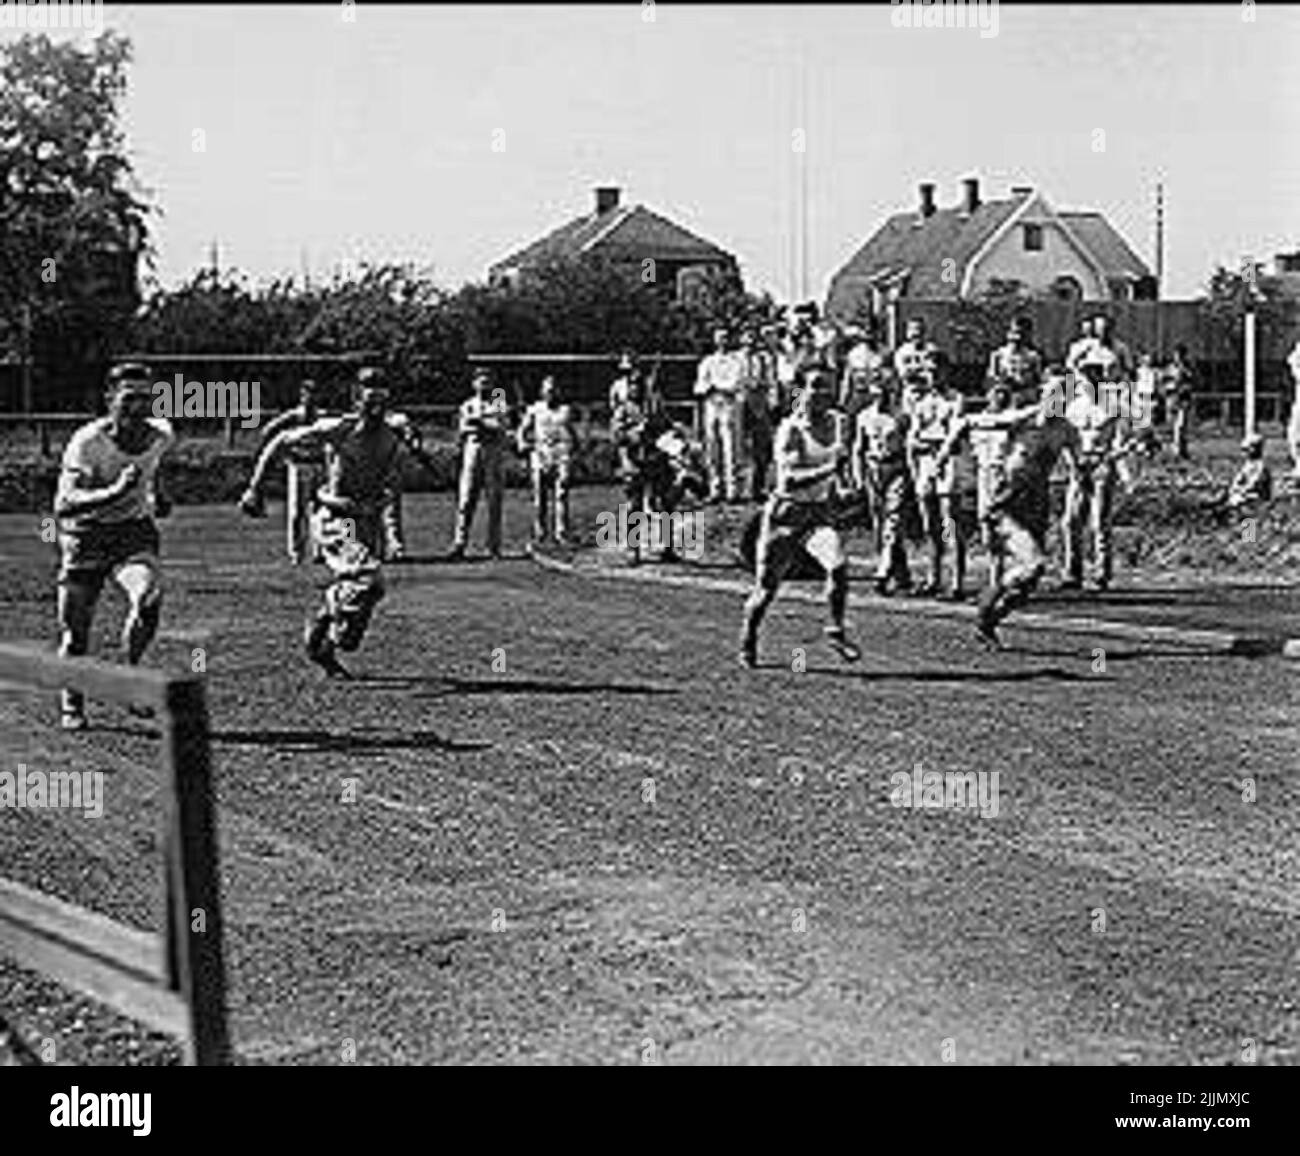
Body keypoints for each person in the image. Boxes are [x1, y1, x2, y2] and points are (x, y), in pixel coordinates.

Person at [239, 376, 410, 678]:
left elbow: (395, 466)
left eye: (382, 402)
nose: (376, 409)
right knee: (368, 579)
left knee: (363, 607)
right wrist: (255, 488)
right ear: (357, 404)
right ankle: (325, 614)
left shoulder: (393, 433)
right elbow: (281, 441)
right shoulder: (338, 429)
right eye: (370, 402)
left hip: (368, 521)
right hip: (336, 519)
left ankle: (326, 643)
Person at [53, 363, 176, 729]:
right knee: (76, 633)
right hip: (84, 535)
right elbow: (64, 504)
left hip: (132, 532)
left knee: (148, 595)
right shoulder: (87, 443)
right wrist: (116, 491)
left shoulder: (161, 434)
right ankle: (72, 704)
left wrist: (158, 494)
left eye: (146, 397)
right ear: (110, 399)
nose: (139, 405)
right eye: (130, 397)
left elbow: (154, 468)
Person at [942, 372, 1083, 647]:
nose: (1059, 400)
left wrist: (1093, 464)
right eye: (1054, 393)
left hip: (1036, 502)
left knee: (1032, 577)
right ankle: (987, 605)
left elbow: (1080, 464)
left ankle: (990, 619)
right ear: (1044, 395)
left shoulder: (1066, 430)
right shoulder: (1022, 419)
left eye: (1065, 395)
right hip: (1007, 500)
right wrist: (948, 448)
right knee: (1033, 564)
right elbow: (976, 421)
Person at [739, 368, 862, 668]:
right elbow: (791, 481)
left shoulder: (838, 422)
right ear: (800, 392)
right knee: (766, 590)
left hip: (818, 515)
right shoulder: (790, 429)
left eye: (827, 388)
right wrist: (831, 468)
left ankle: (835, 630)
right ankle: (748, 638)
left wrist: (844, 489)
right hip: (785, 515)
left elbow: (843, 467)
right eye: (815, 387)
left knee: (838, 565)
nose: (821, 394)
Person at [939, 380, 1016, 590]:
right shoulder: (971, 421)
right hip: (964, 481)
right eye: (995, 393)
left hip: (999, 478)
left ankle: (997, 578)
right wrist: (941, 460)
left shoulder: (1013, 419)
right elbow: (948, 445)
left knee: (993, 528)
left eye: (1004, 394)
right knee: (953, 528)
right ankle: (955, 579)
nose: (999, 398)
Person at [904, 367, 966, 599]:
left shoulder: (955, 399)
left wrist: (941, 453)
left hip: (947, 461)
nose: (933, 377)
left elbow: (954, 432)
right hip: (925, 461)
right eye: (929, 372)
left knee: (949, 521)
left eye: (937, 371)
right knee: (930, 524)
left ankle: (956, 581)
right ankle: (933, 577)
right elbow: (914, 434)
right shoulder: (921, 402)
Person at [1060, 370, 1123, 592]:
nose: (1088, 385)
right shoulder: (1073, 408)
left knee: (1099, 522)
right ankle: (1072, 572)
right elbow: (1065, 441)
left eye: (1093, 381)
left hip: (1101, 464)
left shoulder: (1110, 407)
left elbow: (1119, 441)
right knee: (1071, 521)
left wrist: (1107, 460)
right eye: (1084, 381)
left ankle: (1101, 572)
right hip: (1079, 465)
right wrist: (1073, 464)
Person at [853, 373, 914, 596]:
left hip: (895, 467)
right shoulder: (864, 416)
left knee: (894, 520)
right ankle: (902, 575)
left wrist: (911, 475)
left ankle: (882, 572)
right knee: (881, 524)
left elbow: (908, 447)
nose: (882, 399)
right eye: (877, 394)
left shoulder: (900, 417)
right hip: (873, 468)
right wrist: (858, 476)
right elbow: (858, 448)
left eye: (886, 394)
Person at [255, 378, 325, 565]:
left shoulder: (322, 417)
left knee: (321, 511)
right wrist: (282, 447)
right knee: (296, 512)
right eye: (306, 394)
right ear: (301, 397)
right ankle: (297, 553)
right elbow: (268, 430)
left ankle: (320, 552)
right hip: (298, 466)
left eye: (313, 394)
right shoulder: (294, 416)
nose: (310, 398)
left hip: (319, 466)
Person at [450, 369, 510, 560]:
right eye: (480, 382)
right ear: (474, 384)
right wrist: (483, 425)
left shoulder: (498, 402)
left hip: (493, 453)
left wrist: (481, 424)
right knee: (466, 499)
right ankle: (459, 543)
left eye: (487, 382)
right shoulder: (467, 405)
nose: (484, 386)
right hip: (472, 451)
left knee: (494, 500)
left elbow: (500, 427)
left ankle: (494, 547)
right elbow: (463, 428)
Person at [517, 375, 577, 546]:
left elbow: (571, 432)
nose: (551, 393)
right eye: (547, 390)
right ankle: (540, 533)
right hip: (540, 454)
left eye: (553, 390)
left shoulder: (566, 410)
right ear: (542, 392)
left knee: (562, 494)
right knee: (540, 497)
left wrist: (575, 451)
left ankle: (562, 533)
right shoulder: (535, 409)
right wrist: (523, 444)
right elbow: (522, 430)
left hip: (561, 454)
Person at [694, 326, 745, 504]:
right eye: (719, 338)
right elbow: (700, 386)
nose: (722, 341)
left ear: (730, 340)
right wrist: (711, 387)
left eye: (725, 337)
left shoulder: (736, 362)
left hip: (729, 406)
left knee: (731, 447)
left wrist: (717, 386)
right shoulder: (708, 361)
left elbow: (735, 383)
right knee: (712, 446)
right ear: (715, 341)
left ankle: (733, 490)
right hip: (711, 406)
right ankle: (715, 489)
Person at [737, 326, 778, 501]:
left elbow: (771, 380)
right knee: (738, 446)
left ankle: (757, 486)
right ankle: (736, 488)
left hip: (759, 403)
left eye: (753, 339)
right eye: (747, 338)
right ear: (741, 340)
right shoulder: (734, 358)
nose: (750, 342)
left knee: (761, 447)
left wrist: (772, 400)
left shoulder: (764, 358)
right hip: (739, 402)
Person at [986, 318, 1043, 397]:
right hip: (1002, 395)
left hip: (1026, 396)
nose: (1017, 337)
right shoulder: (997, 355)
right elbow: (992, 379)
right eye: (1014, 332)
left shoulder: (1033, 357)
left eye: (1021, 334)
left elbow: (1038, 381)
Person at [892, 317, 940, 408]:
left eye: (919, 329)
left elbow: (934, 372)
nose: (915, 333)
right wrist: (920, 371)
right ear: (907, 332)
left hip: (930, 394)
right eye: (912, 329)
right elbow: (905, 375)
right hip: (911, 393)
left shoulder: (932, 350)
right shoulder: (902, 352)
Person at [1225, 434, 1273, 512]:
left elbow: (1254, 484)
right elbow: (1239, 480)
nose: (1244, 453)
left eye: (1246, 450)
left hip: (1255, 499)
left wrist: (1240, 490)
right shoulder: (1247, 465)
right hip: (1244, 495)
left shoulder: (1260, 467)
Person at [1163, 345, 1194, 460]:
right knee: (1173, 426)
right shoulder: (1170, 368)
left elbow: (1191, 381)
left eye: (1180, 355)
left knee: (1181, 426)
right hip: (1172, 399)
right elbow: (1164, 382)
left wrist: (1184, 384)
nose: (1178, 357)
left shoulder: (1188, 368)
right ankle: (1179, 450)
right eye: (1176, 354)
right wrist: (1170, 387)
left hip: (1183, 400)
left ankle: (1179, 451)